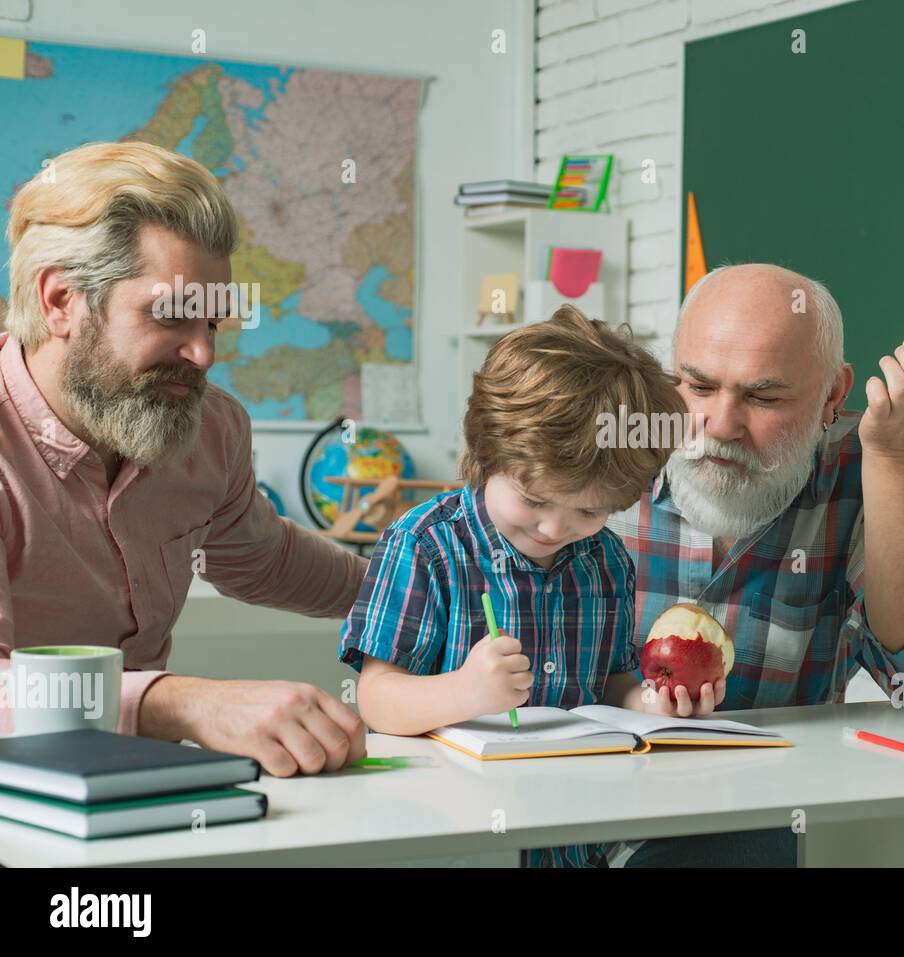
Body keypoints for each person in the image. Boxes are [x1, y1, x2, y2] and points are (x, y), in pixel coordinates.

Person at [0, 141, 368, 775]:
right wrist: (180, 703)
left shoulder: (209, 427)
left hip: (139, 795)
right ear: (61, 301)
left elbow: (261, 557)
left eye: (214, 324)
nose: (203, 355)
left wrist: (415, 587)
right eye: (170, 315)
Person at [607, 263, 904, 866]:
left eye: (763, 396)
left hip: (751, 822)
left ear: (834, 394)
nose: (720, 426)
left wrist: (894, 456)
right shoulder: (611, 446)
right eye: (698, 387)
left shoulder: (874, 467)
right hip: (575, 801)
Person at [339, 304, 693, 866]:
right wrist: (465, 692)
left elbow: (610, 682)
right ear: (486, 452)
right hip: (453, 838)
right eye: (531, 499)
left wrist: (648, 702)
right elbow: (377, 698)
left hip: (577, 835)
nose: (555, 528)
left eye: (588, 510)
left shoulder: (607, 563)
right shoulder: (426, 546)